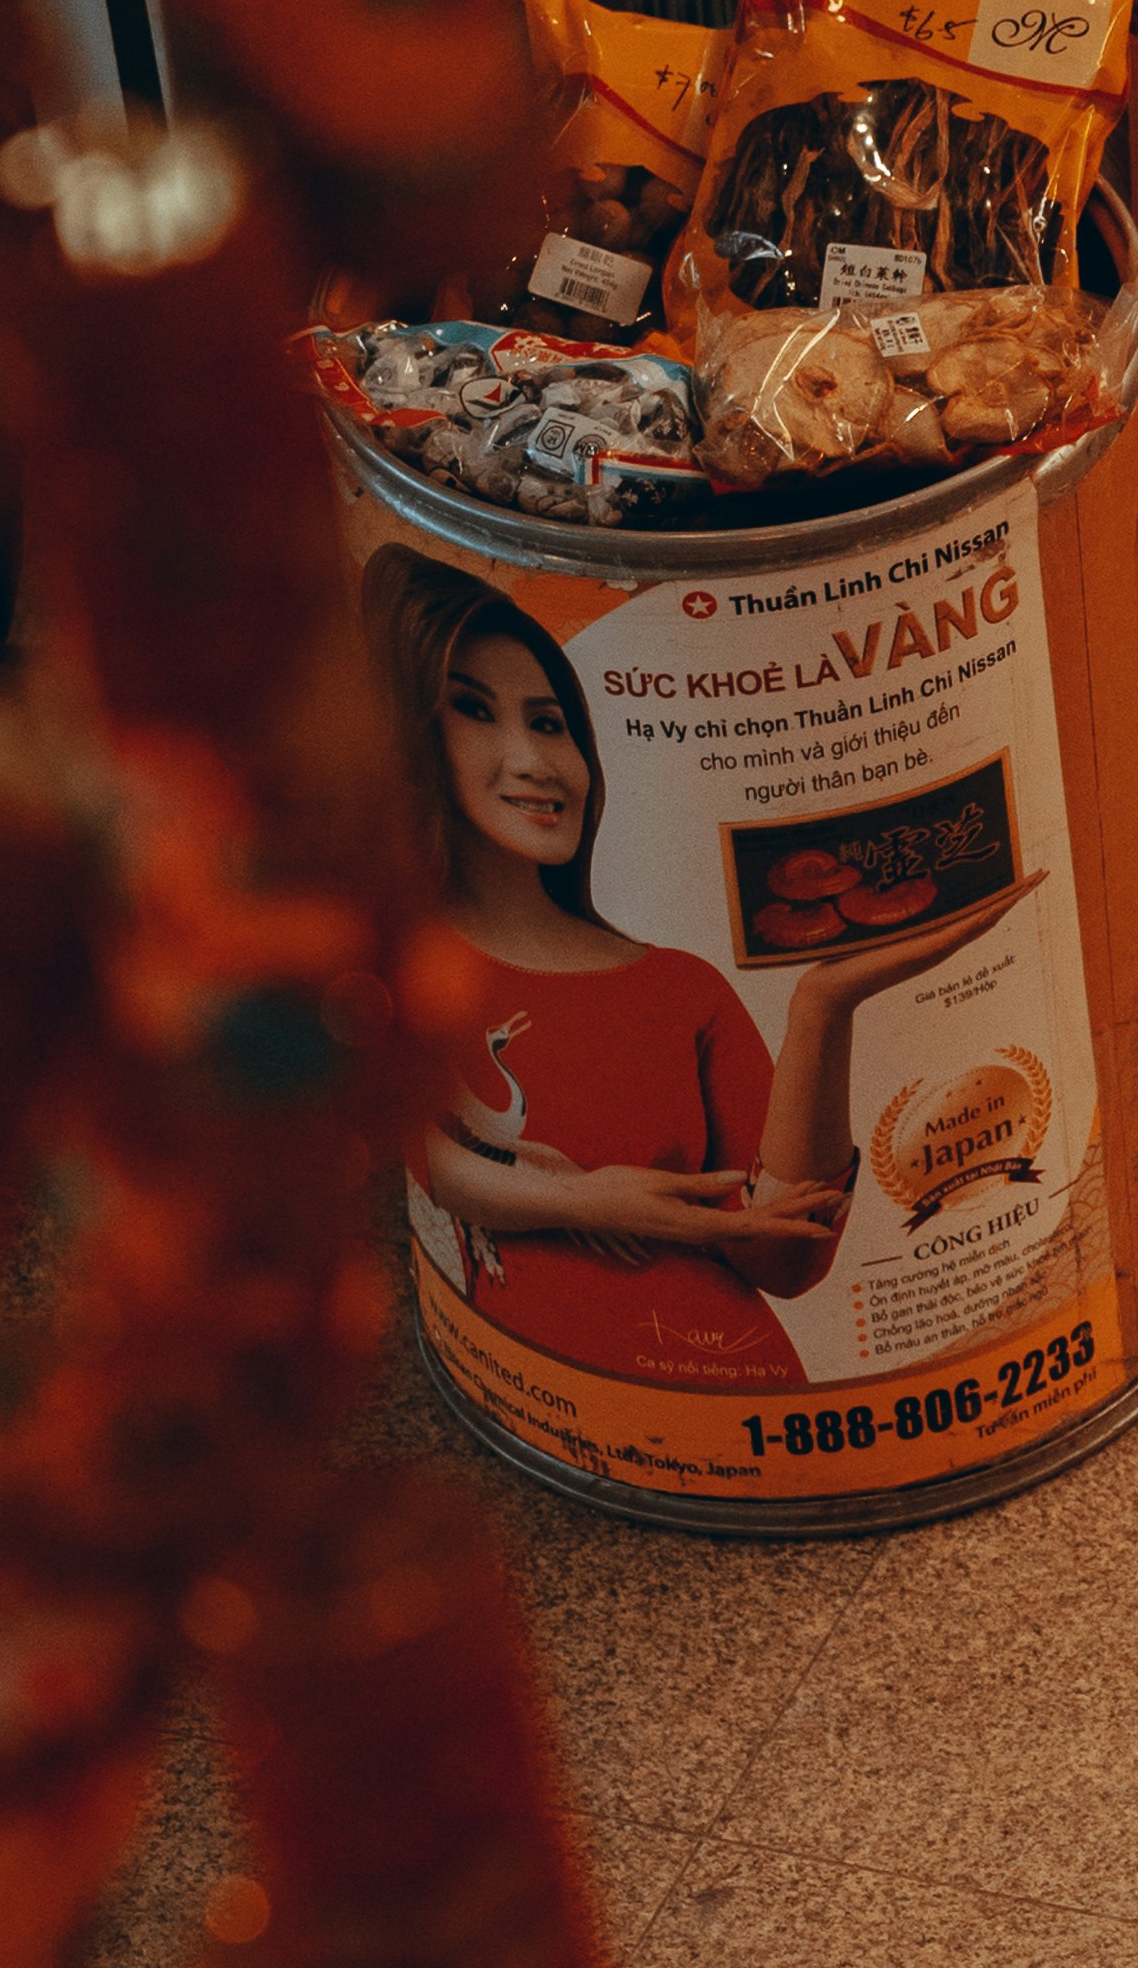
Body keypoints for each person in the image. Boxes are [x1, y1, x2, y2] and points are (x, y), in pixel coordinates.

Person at [365, 550, 1008, 1396]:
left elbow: (783, 1260)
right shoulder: (400, 949)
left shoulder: (680, 987)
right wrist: (589, 1203)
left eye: (551, 722)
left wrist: (823, 1004)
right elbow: (430, 1158)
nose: (532, 760)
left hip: (743, 1395)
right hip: (540, 1406)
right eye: (474, 711)